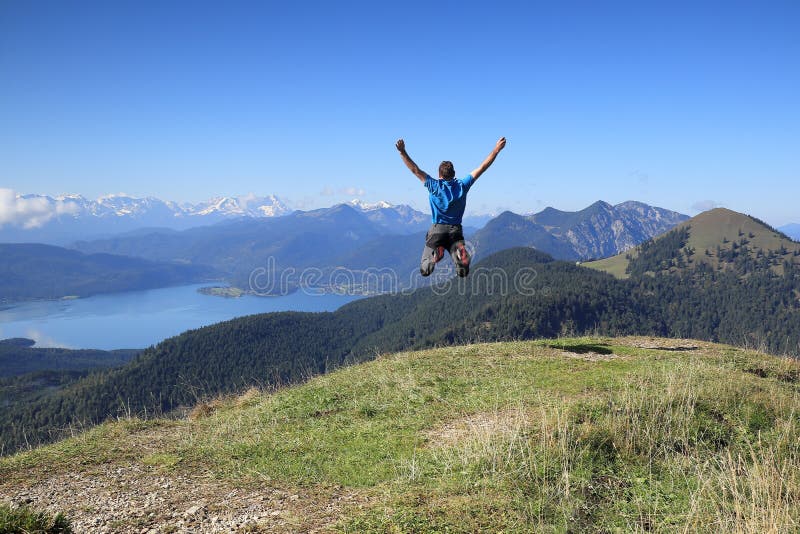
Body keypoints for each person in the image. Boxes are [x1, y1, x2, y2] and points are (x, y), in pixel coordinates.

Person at [396, 137, 506, 277]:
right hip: (455, 231)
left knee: (425, 270)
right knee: (463, 271)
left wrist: (402, 152)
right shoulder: (462, 185)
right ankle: (461, 262)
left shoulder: (434, 185)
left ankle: (436, 254)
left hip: (437, 231)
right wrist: (497, 149)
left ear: (439, 175)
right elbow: (483, 167)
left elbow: (415, 170)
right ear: (454, 174)